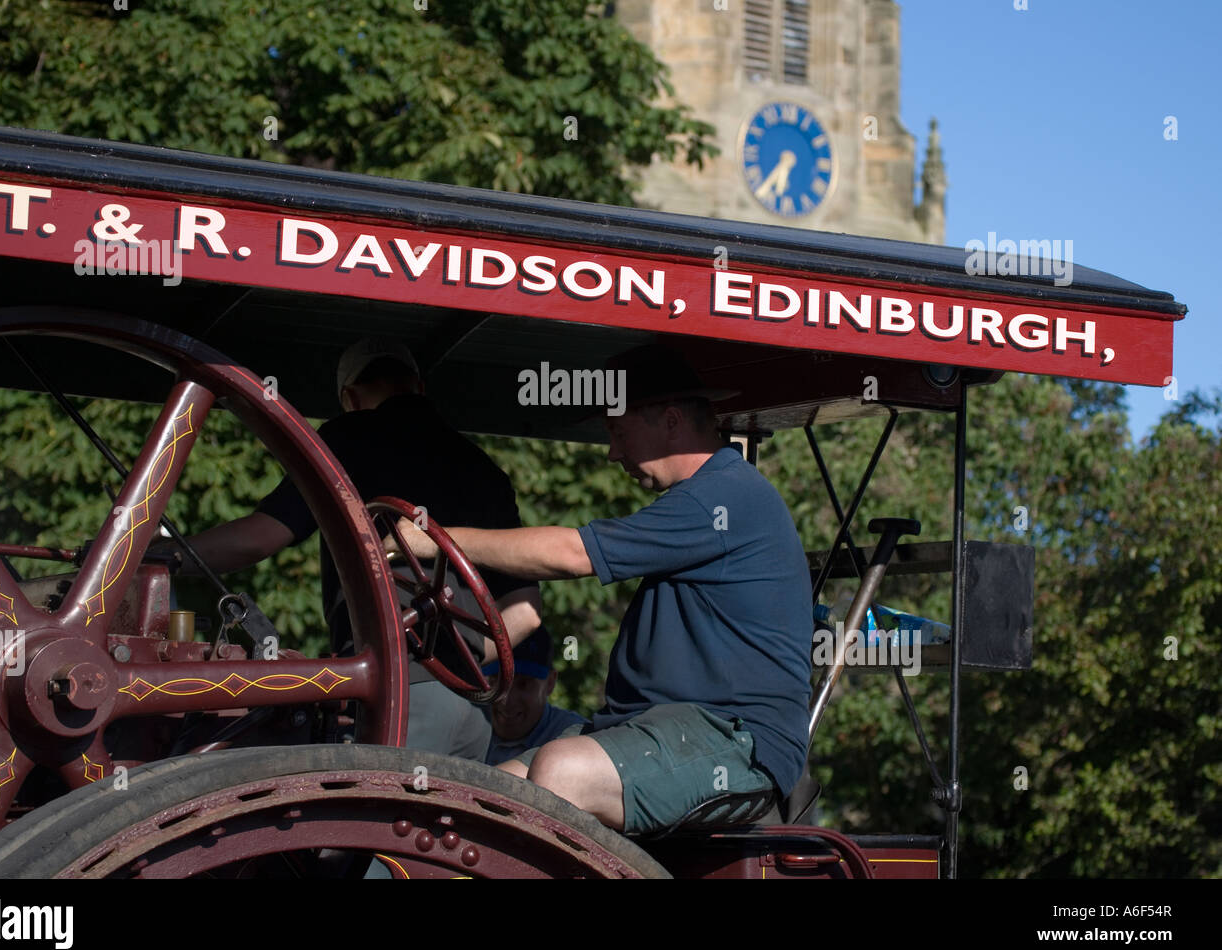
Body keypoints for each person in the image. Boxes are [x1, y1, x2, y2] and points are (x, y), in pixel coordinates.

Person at [393, 344, 813, 836]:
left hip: (735, 742)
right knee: (478, 797)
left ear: (671, 420)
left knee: (563, 771)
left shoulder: (722, 496)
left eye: (617, 430)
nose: (613, 451)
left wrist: (438, 541)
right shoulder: (705, 497)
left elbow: (573, 555)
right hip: (651, 729)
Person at [159, 336, 541, 761]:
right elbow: (525, 610)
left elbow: (262, 536)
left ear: (350, 397)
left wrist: (154, 554)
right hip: (473, 712)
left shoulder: (349, 436)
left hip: (396, 699)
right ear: (419, 386)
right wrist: (456, 661)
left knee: (377, 822)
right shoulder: (483, 467)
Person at [484, 625, 588, 766]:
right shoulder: (465, 720)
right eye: (497, 680)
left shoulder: (574, 739)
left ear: (550, 683)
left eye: (523, 684)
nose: (507, 700)